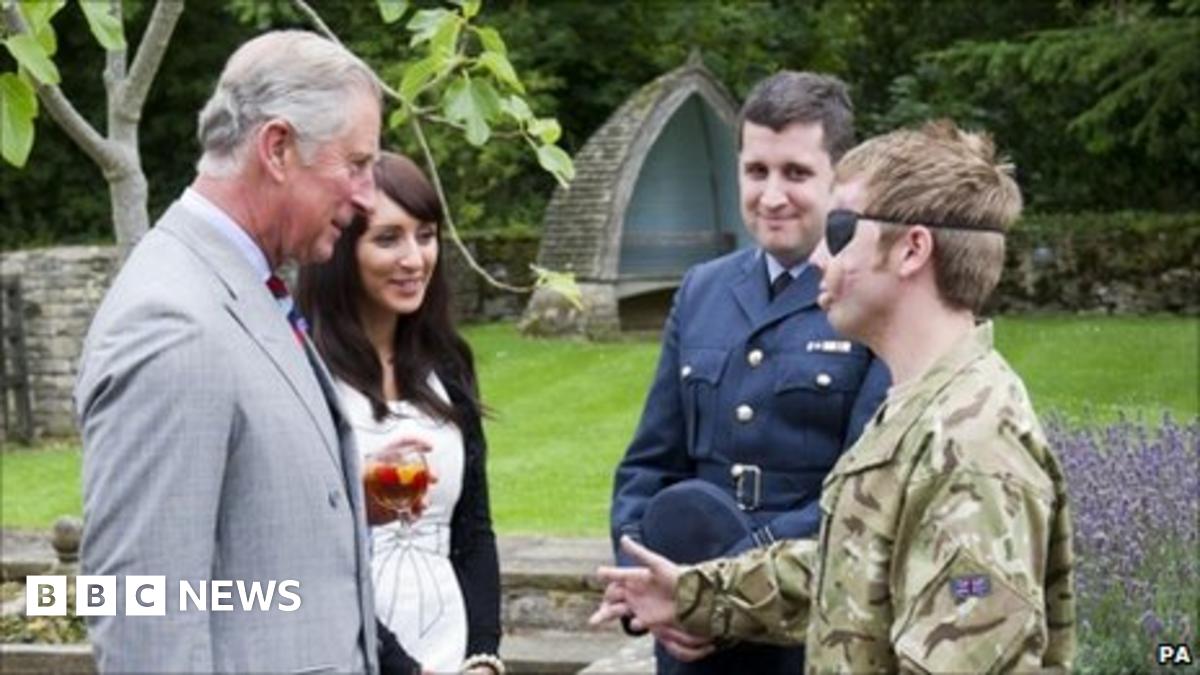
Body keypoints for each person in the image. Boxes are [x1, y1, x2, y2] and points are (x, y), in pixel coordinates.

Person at [592, 120, 1078, 673]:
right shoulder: (919, 409)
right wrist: (693, 594)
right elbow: (853, 566)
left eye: (841, 231)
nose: (822, 258)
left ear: (912, 249)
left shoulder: (973, 449)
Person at [74, 30, 384, 672]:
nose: (368, 196)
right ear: (277, 148)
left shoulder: (240, 286)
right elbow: (144, 619)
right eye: (355, 164)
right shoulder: (175, 325)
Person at [608, 71, 890, 673]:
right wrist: (644, 586)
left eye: (796, 173)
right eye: (756, 171)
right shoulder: (702, 289)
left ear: (838, 180)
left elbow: (857, 494)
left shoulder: (869, 297)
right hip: (687, 639)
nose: (771, 195)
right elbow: (649, 464)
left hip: (801, 633)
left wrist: (718, 588)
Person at [297, 152, 504, 675]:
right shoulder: (302, 372)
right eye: (388, 239)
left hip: (453, 653)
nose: (414, 259)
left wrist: (483, 657)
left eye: (426, 236)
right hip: (349, 657)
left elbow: (473, 531)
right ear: (342, 249)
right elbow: (308, 559)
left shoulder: (448, 363)